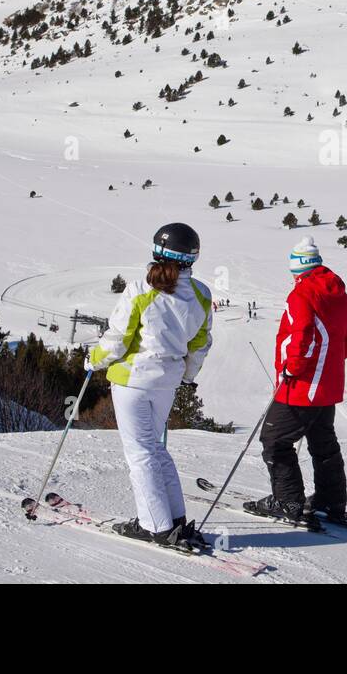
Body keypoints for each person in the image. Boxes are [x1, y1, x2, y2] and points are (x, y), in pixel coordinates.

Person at [86, 222, 213, 549]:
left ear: (157, 252)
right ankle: (175, 518)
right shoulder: (201, 294)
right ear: (192, 257)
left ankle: (154, 525)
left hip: (132, 380)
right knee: (154, 447)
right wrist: (186, 375)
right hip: (167, 381)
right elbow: (199, 345)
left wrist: (93, 359)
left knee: (140, 453)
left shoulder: (141, 288)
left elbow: (117, 340)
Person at [246, 236, 347, 527]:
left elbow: (303, 336)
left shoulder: (301, 295)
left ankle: (288, 502)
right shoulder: (337, 292)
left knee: (275, 441)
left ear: (298, 268)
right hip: (327, 385)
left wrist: (293, 368)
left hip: (301, 386)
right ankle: (330, 502)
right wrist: (333, 358)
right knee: (323, 443)